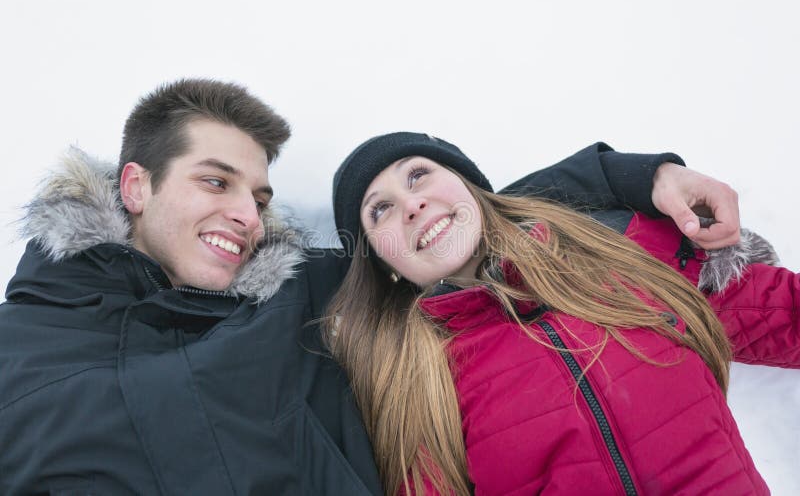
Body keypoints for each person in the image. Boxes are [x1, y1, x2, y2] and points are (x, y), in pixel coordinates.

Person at [0, 80, 741, 496]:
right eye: (215, 182)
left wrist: (633, 175)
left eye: (258, 199)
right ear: (135, 185)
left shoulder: (296, 302)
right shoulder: (19, 348)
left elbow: (461, 224)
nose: (244, 216)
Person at [326, 132, 799, 495]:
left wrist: (638, 174)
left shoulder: (618, 253)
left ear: (468, 186)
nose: (411, 204)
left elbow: (778, 312)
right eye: (380, 210)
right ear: (382, 266)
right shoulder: (413, 390)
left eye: (418, 175)